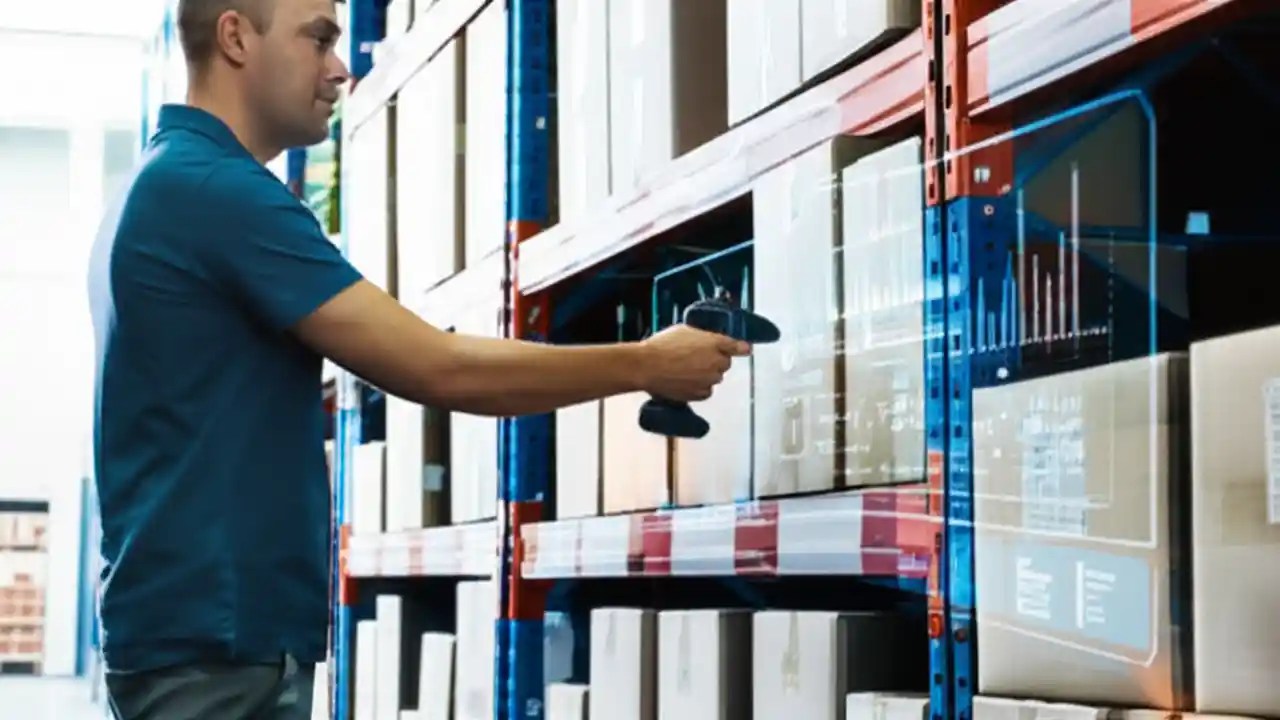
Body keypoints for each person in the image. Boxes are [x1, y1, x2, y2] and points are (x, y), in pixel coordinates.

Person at [87, 0, 748, 717]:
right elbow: (437, 366)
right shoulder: (215, 193)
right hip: (217, 653)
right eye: (318, 40)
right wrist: (644, 365)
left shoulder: (157, 187)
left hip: (202, 645)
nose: (339, 69)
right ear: (236, 37)